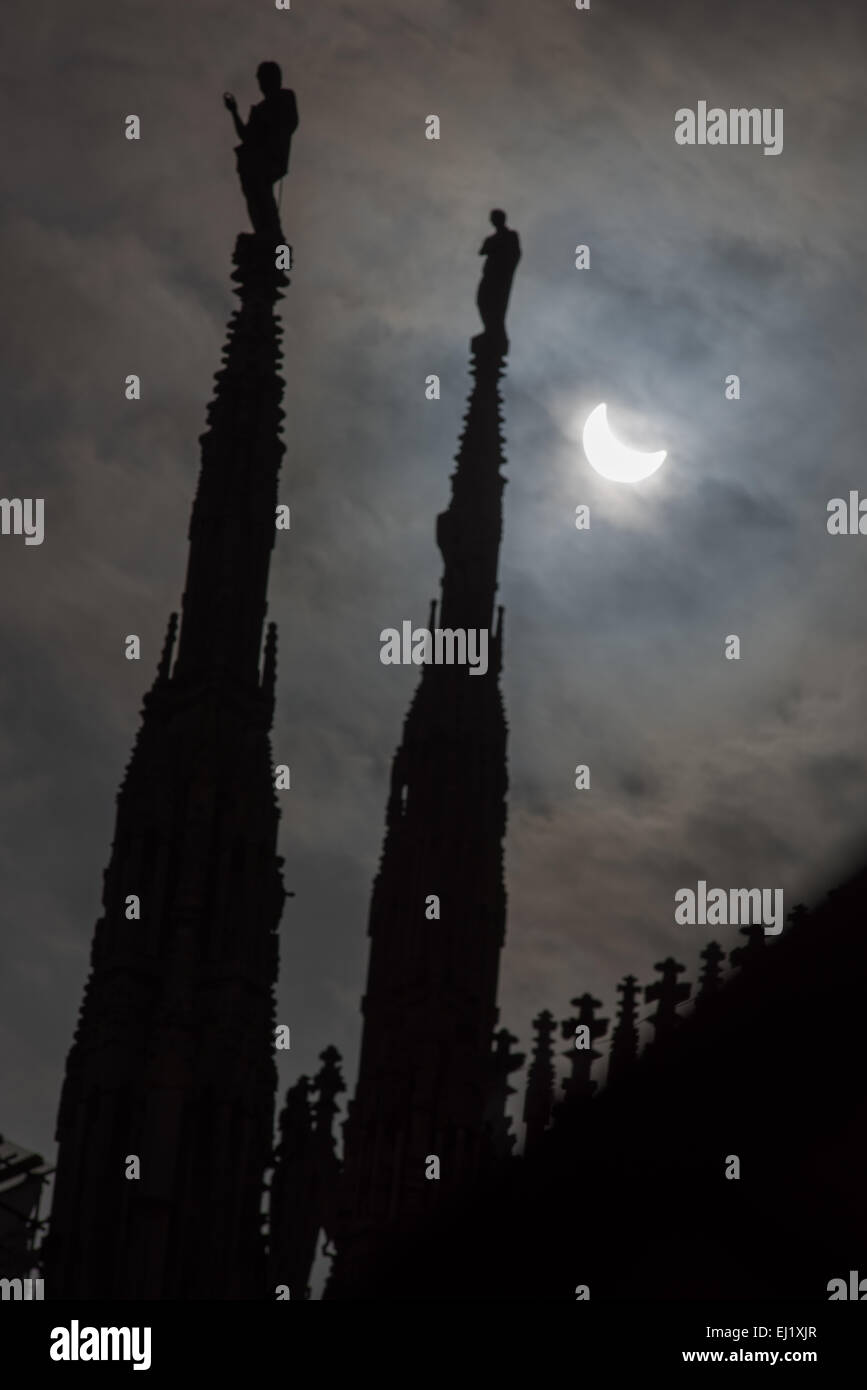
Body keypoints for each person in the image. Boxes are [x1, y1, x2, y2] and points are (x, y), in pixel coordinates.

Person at [224, 62, 298, 240]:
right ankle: (264, 232)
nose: (261, 83)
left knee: (261, 193)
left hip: (269, 157)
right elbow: (246, 135)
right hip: (252, 161)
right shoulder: (259, 109)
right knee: (254, 196)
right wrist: (234, 112)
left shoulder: (284, 97)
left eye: (263, 78)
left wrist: (269, 133)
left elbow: (290, 122)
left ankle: (272, 234)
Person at [476, 210, 521, 342]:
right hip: (489, 275)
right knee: (482, 301)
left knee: (497, 305)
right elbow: (482, 251)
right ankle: (490, 330)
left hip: (500, 277)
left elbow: (515, 255)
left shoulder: (511, 236)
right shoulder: (492, 239)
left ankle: (496, 332)